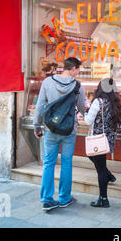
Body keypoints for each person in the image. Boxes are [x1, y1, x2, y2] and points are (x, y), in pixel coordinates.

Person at [33, 57, 86, 212]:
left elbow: (40, 105)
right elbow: (82, 108)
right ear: (74, 68)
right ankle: (64, 198)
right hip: (69, 130)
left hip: (50, 129)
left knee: (48, 163)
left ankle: (47, 200)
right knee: (66, 162)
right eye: (78, 70)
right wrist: (87, 113)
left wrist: (37, 126)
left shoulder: (47, 82)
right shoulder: (78, 86)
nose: (78, 73)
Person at [84, 78, 121, 208]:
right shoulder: (116, 102)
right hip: (109, 138)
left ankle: (103, 199)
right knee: (93, 158)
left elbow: (89, 121)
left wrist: (85, 112)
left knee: (100, 169)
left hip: (98, 139)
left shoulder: (98, 102)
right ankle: (109, 175)